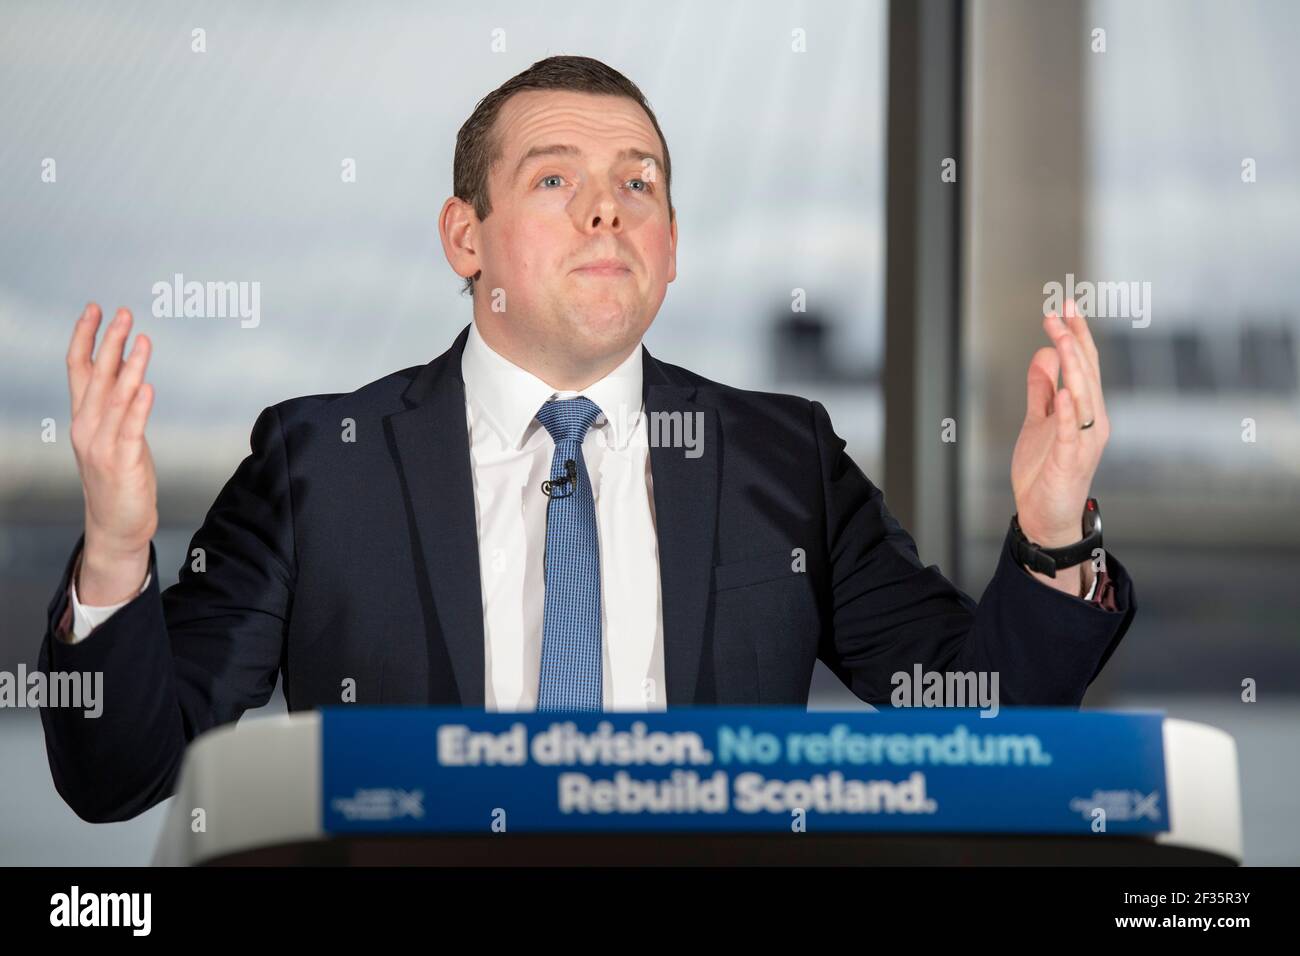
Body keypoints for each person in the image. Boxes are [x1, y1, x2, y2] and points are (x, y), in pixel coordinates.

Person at [38, 55, 1134, 823]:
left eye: (637, 185)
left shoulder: (782, 456)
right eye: (555, 178)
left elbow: (973, 716)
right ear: (465, 236)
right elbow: (120, 771)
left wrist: (1050, 540)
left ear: (671, 247)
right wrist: (115, 555)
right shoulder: (320, 459)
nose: (606, 210)